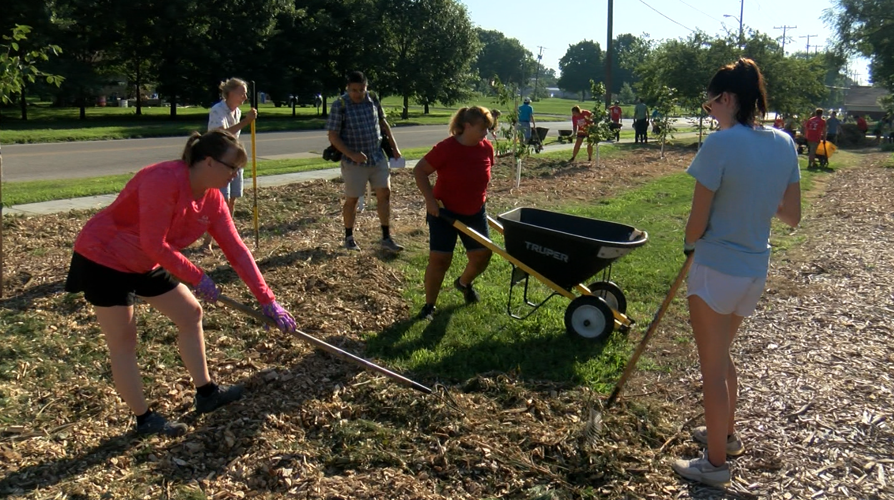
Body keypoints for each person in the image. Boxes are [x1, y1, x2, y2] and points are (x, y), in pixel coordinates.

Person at [63, 130, 298, 437]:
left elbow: (237, 250)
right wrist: (197, 277)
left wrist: (267, 300)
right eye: (232, 167)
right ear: (209, 162)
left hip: (144, 261)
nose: (235, 175)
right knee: (123, 341)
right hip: (104, 256)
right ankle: (144, 419)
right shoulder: (163, 180)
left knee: (190, 313)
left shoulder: (212, 200)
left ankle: (207, 393)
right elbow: (154, 243)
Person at [675, 58, 801, 487]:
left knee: (711, 368)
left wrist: (690, 241)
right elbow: (792, 215)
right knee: (723, 354)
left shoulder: (720, 144)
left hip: (716, 270)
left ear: (727, 98)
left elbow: (696, 223)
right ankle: (725, 436)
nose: (710, 112)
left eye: (710, 103)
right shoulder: (784, 142)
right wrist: (757, 197)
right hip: (753, 271)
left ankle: (714, 464)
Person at [413, 107, 495, 321]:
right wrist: (430, 201)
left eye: (488, 128)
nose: (486, 133)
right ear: (467, 126)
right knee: (440, 260)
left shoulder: (486, 148)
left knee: (482, 255)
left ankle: (463, 283)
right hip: (443, 212)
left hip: (475, 211)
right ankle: (429, 306)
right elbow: (419, 171)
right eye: (482, 128)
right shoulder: (446, 148)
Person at [326, 71, 404, 252]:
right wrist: (351, 154)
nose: (358, 94)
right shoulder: (340, 105)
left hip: (377, 157)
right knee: (352, 199)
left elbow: (383, 124)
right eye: (354, 90)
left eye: (361, 89)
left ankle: (386, 238)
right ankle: (349, 238)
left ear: (366, 87)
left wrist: (394, 147)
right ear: (347, 88)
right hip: (353, 163)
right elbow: (333, 136)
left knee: (384, 193)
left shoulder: (373, 99)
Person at [201, 78, 258, 253]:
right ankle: (207, 240)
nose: (245, 97)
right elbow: (220, 134)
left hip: (234, 160)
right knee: (220, 201)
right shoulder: (217, 110)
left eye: (246, 93)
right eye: (242, 93)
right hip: (219, 161)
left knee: (232, 199)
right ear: (230, 93)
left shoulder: (237, 112)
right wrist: (246, 122)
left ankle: (226, 236)